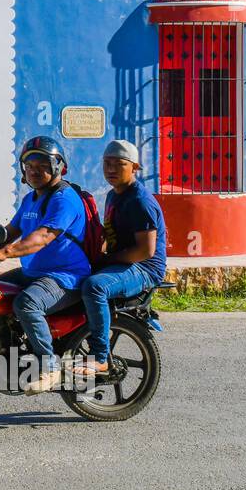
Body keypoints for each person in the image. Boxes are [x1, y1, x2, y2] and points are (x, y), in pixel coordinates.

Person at [0, 136, 91, 394]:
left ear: (58, 167)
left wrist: (6, 252)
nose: (35, 170)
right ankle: (4, 362)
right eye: (29, 165)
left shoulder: (65, 198)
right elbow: (11, 231)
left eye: (42, 164)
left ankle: (49, 367)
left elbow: (42, 236)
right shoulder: (31, 199)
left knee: (26, 303)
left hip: (65, 277)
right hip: (33, 272)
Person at [76, 140, 167, 376]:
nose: (112, 169)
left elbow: (145, 251)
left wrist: (107, 260)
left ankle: (100, 357)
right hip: (122, 261)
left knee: (95, 287)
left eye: (119, 164)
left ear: (134, 167)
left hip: (144, 268)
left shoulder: (140, 201)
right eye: (107, 163)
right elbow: (109, 233)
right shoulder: (113, 195)